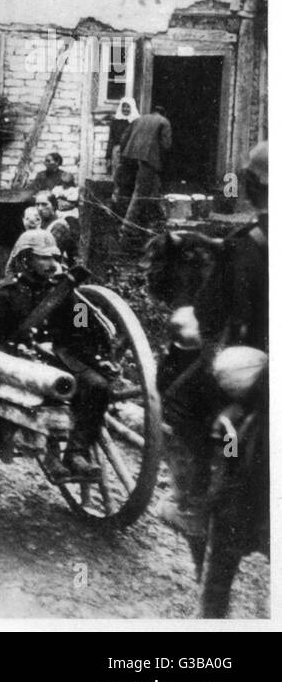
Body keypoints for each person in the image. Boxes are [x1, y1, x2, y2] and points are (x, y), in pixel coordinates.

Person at [159, 142, 268, 537]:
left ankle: (192, 505)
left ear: (251, 186)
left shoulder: (244, 245)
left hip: (259, 364)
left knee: (178, 403)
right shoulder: (240, 242)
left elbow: (208, 316)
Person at [0, 229, 114, 482]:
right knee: (46, 391)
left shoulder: (66, 292)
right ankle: (50, 454)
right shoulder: (5, 294)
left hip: (61, 355)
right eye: (44, 258)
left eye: (54, 257)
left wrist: (93, 356)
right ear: (26, 259)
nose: (52, 264)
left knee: (98, 386)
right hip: (20, 362)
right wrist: (14, 355)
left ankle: (77, 453)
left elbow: (81, 327)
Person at [116, 104, 172, 234]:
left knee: (130, 189)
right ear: (164, 113)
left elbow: (123, 139)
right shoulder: (164, 121)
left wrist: (124, 157)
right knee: (140, 193)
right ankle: (127, 227)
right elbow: (166, 145)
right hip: (147, 160)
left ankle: (126, 221)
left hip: (129, 157)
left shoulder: (138, 119)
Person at [107, 97, 139, 180]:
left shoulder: (136, 122)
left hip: (130, 151)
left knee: (129, 175)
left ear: (132, 107)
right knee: (117, 174)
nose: (125, 109)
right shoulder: (116, 121)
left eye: (128, 107)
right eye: (123, 106)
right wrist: (108, 157)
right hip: (117, 151)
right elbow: (111, 139)